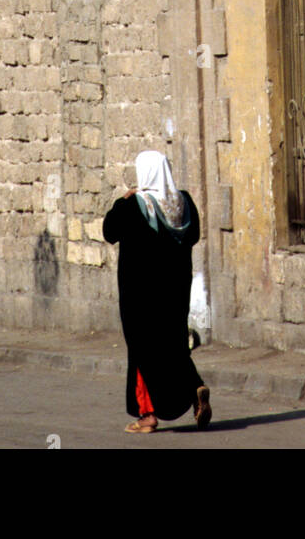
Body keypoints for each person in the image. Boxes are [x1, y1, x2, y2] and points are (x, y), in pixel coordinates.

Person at [103, 149, 211, 434]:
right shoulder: (183, 201)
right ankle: (194, 390)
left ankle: (147, 415)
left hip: (140, 293)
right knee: (172, 345)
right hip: (176, 291)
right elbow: (194, 235)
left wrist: (120, 201)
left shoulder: (135, 205)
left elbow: (109, 231)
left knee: (141, 350)